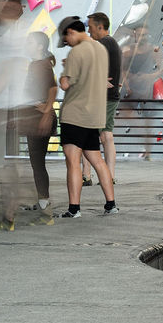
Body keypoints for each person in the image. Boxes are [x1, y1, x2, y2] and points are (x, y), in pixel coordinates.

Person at [0, 0, 57, 223]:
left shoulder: (38, 65)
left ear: (39, 46)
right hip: (32, 117)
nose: (27, 45)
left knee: (31, 163)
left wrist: (45, 110)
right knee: (33, 163)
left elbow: (51, 89)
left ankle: (38, 210)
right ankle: (40, 208)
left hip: (33, 118)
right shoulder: (38, 63)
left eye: (30, 43)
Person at [56, 16, 115, 216]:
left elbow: (65, 84)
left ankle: (74, 208)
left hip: (75, 114)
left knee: (73, 161)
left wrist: (62, 73)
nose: (67, 43)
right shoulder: (100, 49)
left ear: (71, 32)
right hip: (94, 115)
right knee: (97, 160)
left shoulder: (77, 51)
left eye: (66, 39)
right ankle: (111, 204)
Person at [88, 12, 122, 166]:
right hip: (110, 96)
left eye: (90, 27)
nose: (89, 31)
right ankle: (109, 175)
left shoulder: (103, 43)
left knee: (90, 137)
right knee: (106, 135)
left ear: (100, 27)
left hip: (101, 97)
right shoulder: (112, 43)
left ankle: (87, 175)